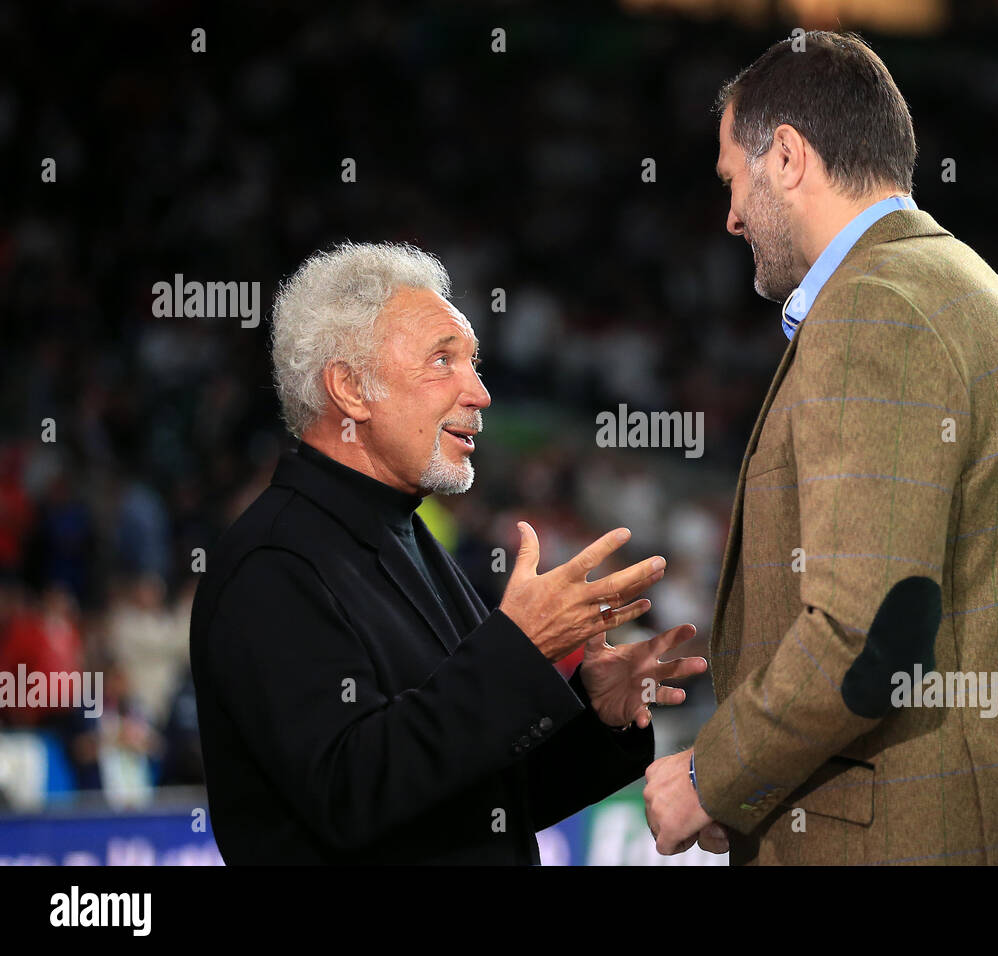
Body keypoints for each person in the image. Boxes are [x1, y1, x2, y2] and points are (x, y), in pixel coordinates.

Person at [643, 31, 998, 865]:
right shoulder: (981, 298)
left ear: (786, 156)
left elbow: (871, 630)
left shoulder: (875, 310)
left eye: (733, 182)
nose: (731, 215)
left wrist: (712, 775)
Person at [190, 240, 706, 864]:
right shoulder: (273, 564)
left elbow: (482, 801)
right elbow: (350, 794)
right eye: (443, 361)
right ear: (351, 389)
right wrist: (519, 650)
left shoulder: (408, 536)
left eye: (474, 362)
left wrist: (600, 716)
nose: (480, 393)